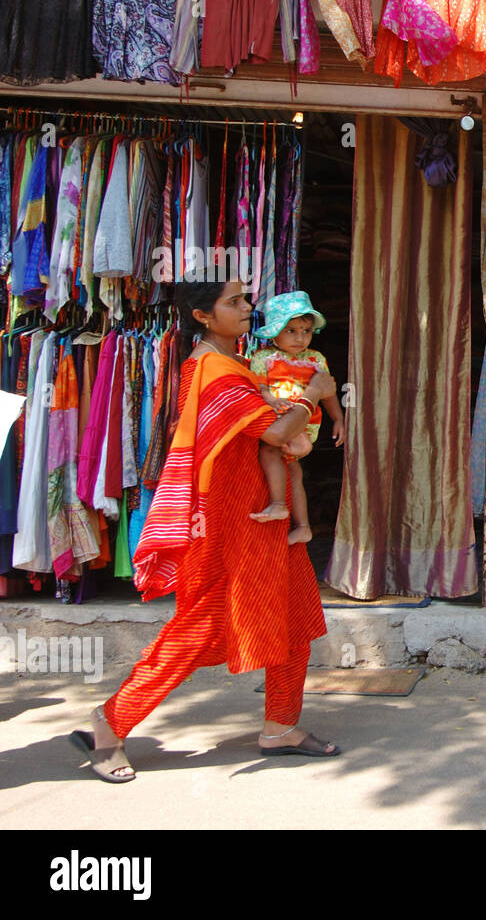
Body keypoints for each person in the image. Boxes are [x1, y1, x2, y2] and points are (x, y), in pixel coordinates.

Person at [69, 276, 341, 784]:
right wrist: (314, 395)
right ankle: (111, 721)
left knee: (295, 617)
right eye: (233, 302)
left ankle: (280, 725)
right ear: (202, 315)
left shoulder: (237, 366)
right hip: (232, 525)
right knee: (196, 632)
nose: (246, 307)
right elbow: (278, 433)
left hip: (265, 516)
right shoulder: (216, 370)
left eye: (245, 299)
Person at [247, 291, 345, 545]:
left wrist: (338, 419)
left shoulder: (316, 359)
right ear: (274, 331)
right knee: (293, 470)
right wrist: (271, 401)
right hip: (282, 418)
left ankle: (279, 504)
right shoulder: (262, 358)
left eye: (306, 331)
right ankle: (303, 526)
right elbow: (261, 390)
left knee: (269, 452)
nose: (300, 337)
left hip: (300, 422)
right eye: (291, 330)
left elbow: (328, 393)